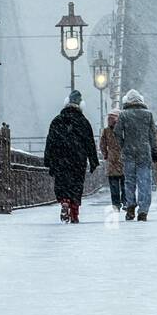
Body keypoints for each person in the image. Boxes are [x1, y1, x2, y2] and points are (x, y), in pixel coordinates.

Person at [43, 89, 98, 223]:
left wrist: (48, 160)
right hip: (78, 158)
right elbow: (89, 142)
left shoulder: (57, 120)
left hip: (60, 158)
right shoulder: (83, 122)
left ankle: (64, 201)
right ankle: (74, 212)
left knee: (62, 182)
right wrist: (93, 160)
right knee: (76, 184)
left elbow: (50, 141)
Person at [113, 89, 157, 221]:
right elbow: (152, 135)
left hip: (129, 152)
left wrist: (123, 144)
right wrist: (155, 150)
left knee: (129, 181)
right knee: (145, 182)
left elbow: (117, 132)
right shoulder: (148, 115)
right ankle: (143, 211)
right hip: (144, 151)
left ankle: (130, 206)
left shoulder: (124, 115)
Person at [99, 110, 125, 209]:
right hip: (123, 159)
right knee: (124, 183)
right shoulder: (123, 129)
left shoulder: (106, 130)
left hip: (111, 159)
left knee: (114, 185)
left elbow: (102, 145)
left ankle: (116, 204)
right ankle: (125, 201)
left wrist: (106, 154)